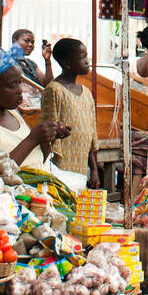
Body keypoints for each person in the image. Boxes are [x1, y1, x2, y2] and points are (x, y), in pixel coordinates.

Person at [0, 47, 68, 168]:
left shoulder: (13, 113)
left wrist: (49, 137)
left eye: (19, 83)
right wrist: (32, 139)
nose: (20, 90)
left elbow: (34, 160)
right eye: (12, 85)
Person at [39, 38, 100, 186]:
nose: (87, 61)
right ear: (67, 63)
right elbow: (47, 133)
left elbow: (91, 133)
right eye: (82, 58)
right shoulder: (54, 90)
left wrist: (94, 169)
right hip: (61, 168)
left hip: (81, 166)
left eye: (86, 56)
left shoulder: (86, 93)